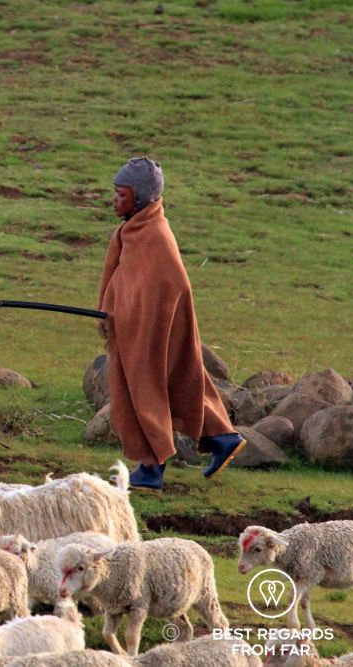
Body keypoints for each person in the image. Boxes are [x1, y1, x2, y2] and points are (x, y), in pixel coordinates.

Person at [97, 157, 245, 490]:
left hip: (152, 330)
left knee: (146, 386)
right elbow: (127, 283)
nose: (114, 200)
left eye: (121, 194)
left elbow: (169, 286)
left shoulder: (153, 234)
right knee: (180, 381)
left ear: (139, 197)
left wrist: (138, 324)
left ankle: (151, 466)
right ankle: (221, 438)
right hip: (140, 328)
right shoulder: (135, 230)